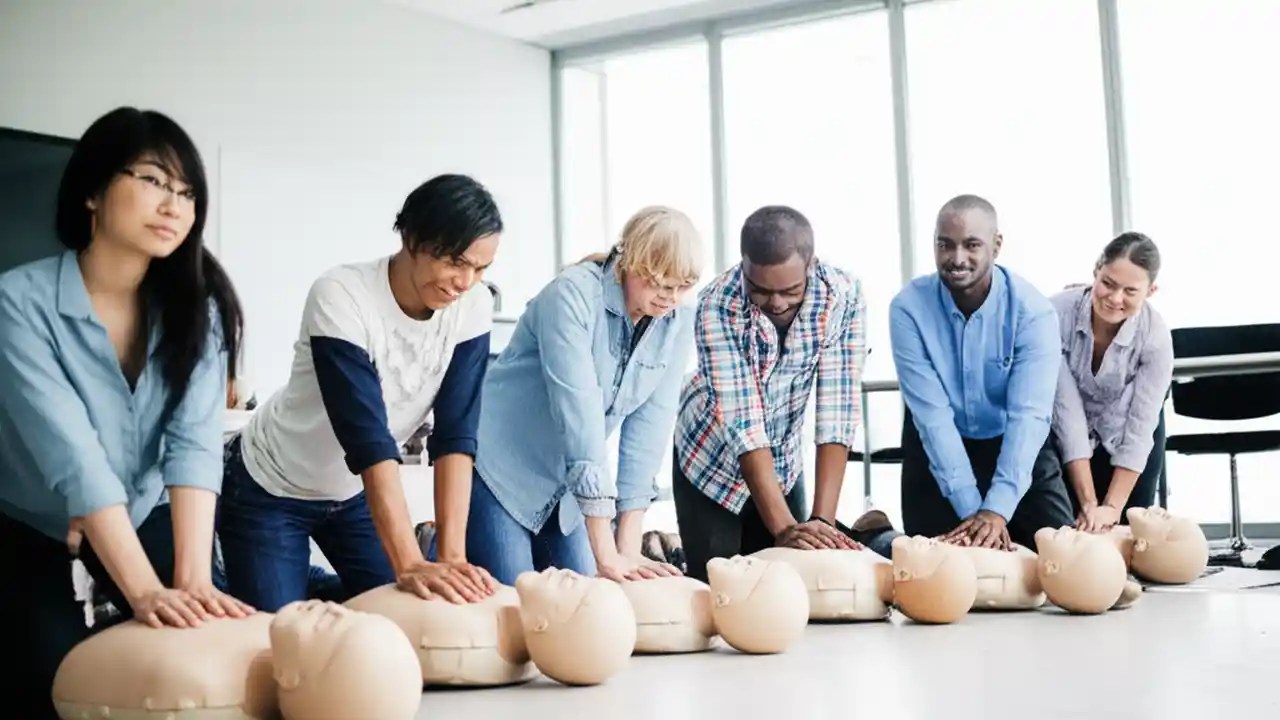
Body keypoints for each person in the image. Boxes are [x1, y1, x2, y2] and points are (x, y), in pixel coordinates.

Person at [0, 107, 252, 718]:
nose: (173, 205)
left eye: (187, 192)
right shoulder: (17, 302)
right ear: (92, 191)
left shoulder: (201, 309)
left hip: (146, 512)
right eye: (151, 181)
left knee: (188, 669)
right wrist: (142, 591)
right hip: (39, 527)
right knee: (55, 683)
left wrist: (192, 580)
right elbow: (74, 459)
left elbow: (193, 448)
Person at [217, 174, 501, 611]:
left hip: (351, 496)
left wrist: (452, 558)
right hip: (271, 489)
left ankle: (310, 582)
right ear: (410, 237)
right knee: (281, 633)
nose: (464, 281)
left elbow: (456, 433)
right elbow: (366, 436)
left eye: (479, 268)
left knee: (415, 608)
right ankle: (270, 578)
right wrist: (408, 562)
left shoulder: (473, 305)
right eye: (453, 261)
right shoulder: (342, 294)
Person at [467, 206, 701, 586]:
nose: (670, 298)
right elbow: (580, 420)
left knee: (586, 601)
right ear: (631, 263)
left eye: (682, 286)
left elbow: (648, 432)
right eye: (659, 283)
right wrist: (604, 552)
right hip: (502, 472)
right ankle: (443, 545)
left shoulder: (677, 321)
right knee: (517, 601)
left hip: (566, 493)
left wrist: (626, 549)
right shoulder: (571, 295)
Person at [673, 205, 896, 583]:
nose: (775, 303)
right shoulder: (716, 305)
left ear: (810, 266)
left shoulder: (843, 296)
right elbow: (743, 425)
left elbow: (836, 412)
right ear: (743, 268)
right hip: (710, 462)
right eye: (759, 290)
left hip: (782, 462)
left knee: (793, 581)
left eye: (790, 291)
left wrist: (821, 522)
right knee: (721, 588)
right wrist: (783, 528)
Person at [889, 194, 1073, 551]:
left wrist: (997, 510)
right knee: (931, 563)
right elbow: (932, 418)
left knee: (1061, 556)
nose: (957, 259)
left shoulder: (1033, 312)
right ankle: (875, 531)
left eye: (972, 245)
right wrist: (976, 514)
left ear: (996, 245)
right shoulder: (908, 308)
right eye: (945, 245)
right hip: (938, 443)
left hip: (1013, 439)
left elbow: (1029, 417)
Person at [1051, 232, 1172, 533]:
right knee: (1065, 532)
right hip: (1062, 437)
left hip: (1124, 436)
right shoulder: (1052, 315)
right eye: (1107, 283)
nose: (1115, 298)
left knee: (1129, 537)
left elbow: (1140, 429)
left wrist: (1112, 509)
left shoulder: (1155, 336)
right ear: (1096, 271)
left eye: (1130, 291)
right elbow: (1067, 415)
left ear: (1151, 290)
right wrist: (1090, 504)